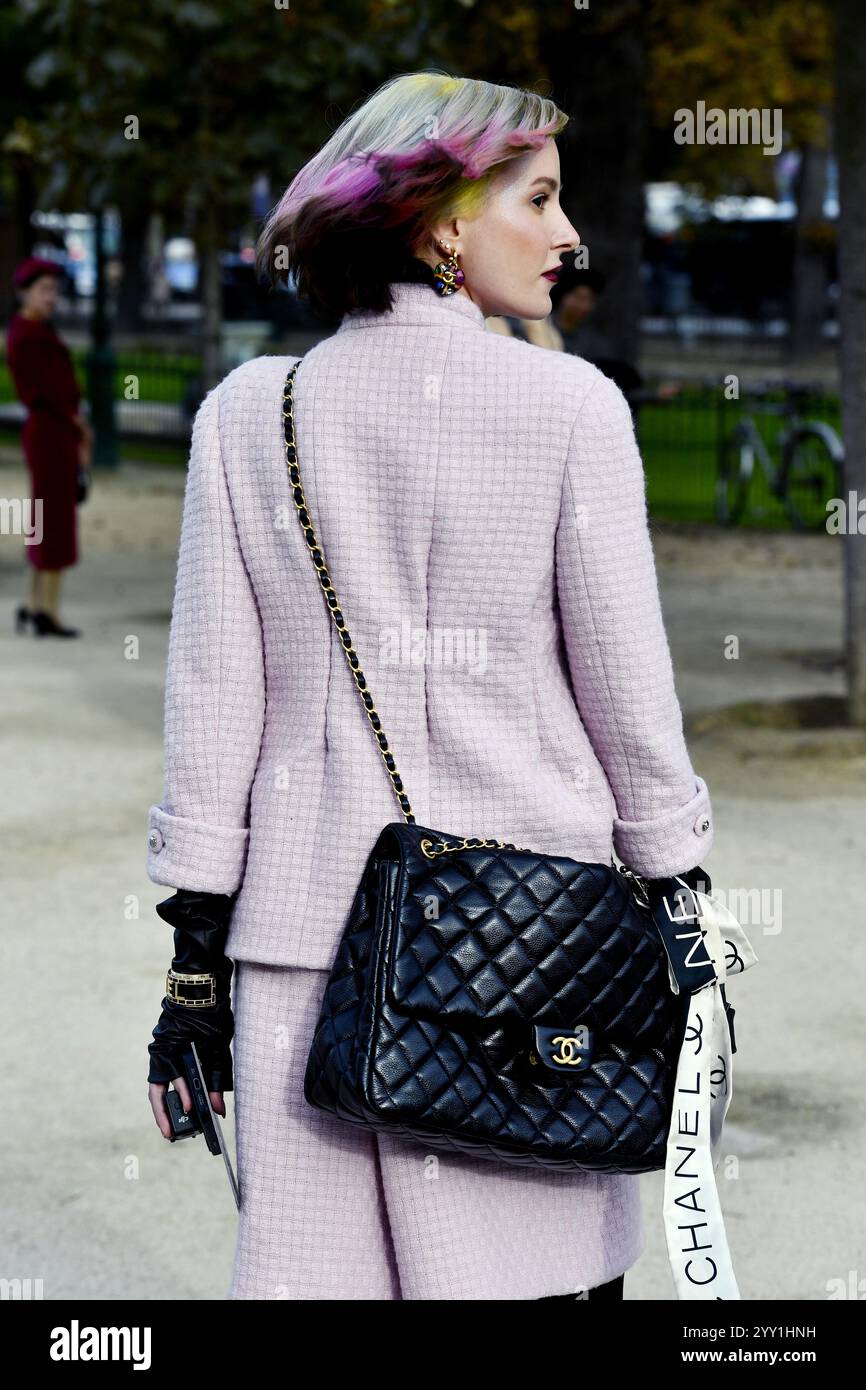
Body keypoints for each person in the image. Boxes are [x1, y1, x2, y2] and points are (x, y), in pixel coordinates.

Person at [145, 71, 714, 1301]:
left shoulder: (249, 416)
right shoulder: (571, 408)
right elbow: (629, 702)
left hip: (309, 959)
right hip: (530, 950)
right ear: (446, 221)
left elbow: (211, 712)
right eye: (541, 197)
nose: (568, 235)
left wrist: (193, 975)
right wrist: (678, 891)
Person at [6, 255, 92, 638]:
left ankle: (33, 604)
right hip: (51, 432)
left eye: (54, 290)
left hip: (51, 431)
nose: (51, 297)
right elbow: (46, 393)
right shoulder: (28, 335)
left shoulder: (33, 331)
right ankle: (47, 612)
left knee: (45, 517)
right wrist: (78, 427)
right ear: (24, 292)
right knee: (53, 519)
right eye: (43, 290)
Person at [488, 264, 682, 421]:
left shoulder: (595, 343)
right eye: (579, 297)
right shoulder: (532, 329)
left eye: (590, 299)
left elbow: (614, 388)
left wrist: (653, 395)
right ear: (563, 298)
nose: (584, 305)